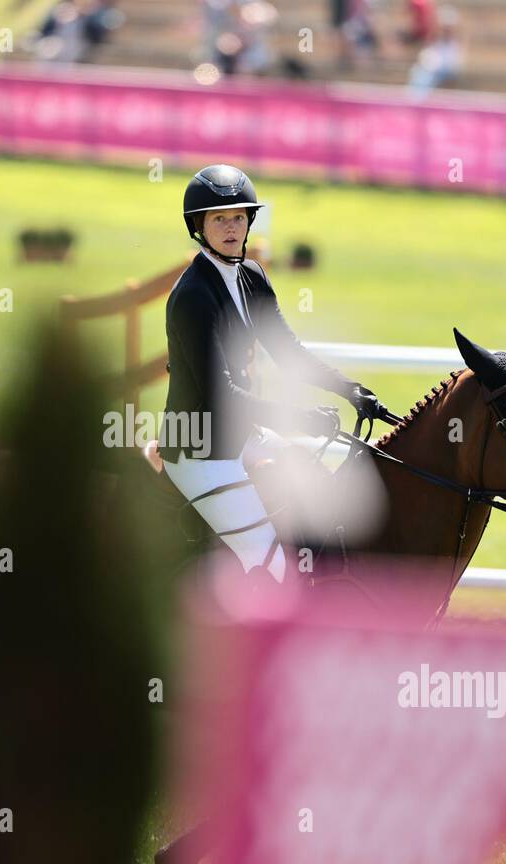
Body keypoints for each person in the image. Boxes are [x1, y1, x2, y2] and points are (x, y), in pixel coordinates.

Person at [159, 165, 388, 584]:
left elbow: (289, 353)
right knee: (272, 565)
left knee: (320, 505)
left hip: (241, 433)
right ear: (199, 226)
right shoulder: (193, 297)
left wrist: (350, 390)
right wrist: (297, 418)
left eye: (239, 217)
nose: (231, 228)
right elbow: (220, 394)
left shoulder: (252, 277)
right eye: (219, 219)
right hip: (198, 447)